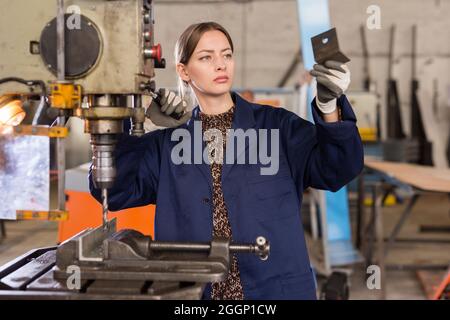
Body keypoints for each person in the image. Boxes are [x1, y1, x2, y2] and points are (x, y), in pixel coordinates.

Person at [89, 21, 363, 300]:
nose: (221, 65)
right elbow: (111, 190)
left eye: (227, 54)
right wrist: (135, 122)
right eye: (206, 57)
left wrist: (328, 107)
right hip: (193, 293)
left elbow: (337, 170)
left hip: (274, 291)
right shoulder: (168, 143)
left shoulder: (277, 128)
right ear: (184, 71)